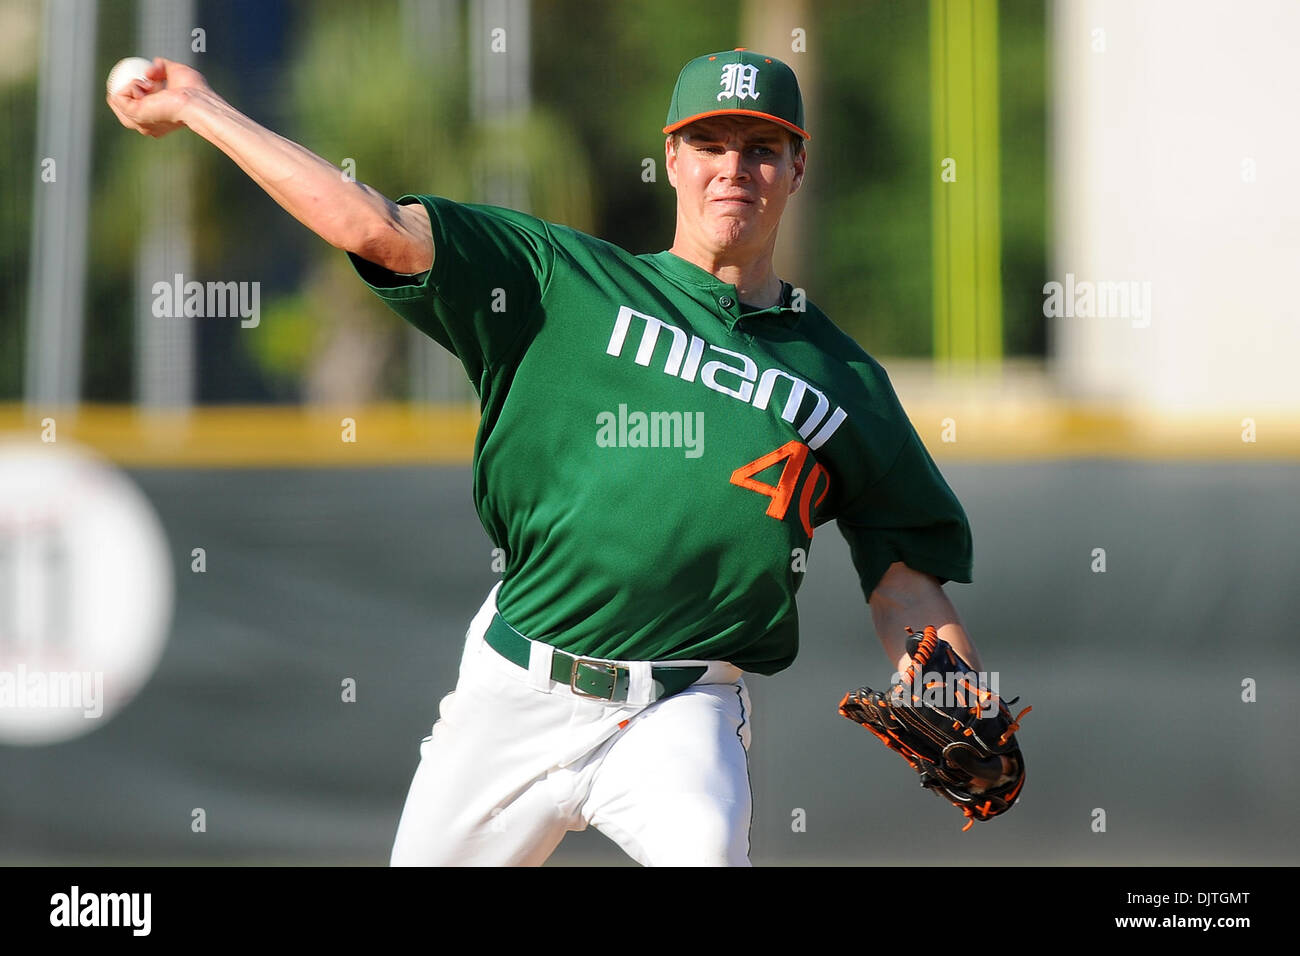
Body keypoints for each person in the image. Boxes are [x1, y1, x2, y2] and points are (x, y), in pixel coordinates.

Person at [109, 48, 986, 867]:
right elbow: (371, 226)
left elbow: (903, 574)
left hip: (682, 709)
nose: (735, 168)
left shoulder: (845, 382)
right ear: (673, 158)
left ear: (797, 167)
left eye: (763, 148)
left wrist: (953, 695)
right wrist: (198, 105)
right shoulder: (560, 281)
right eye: (710, 142)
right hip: (515, 689)